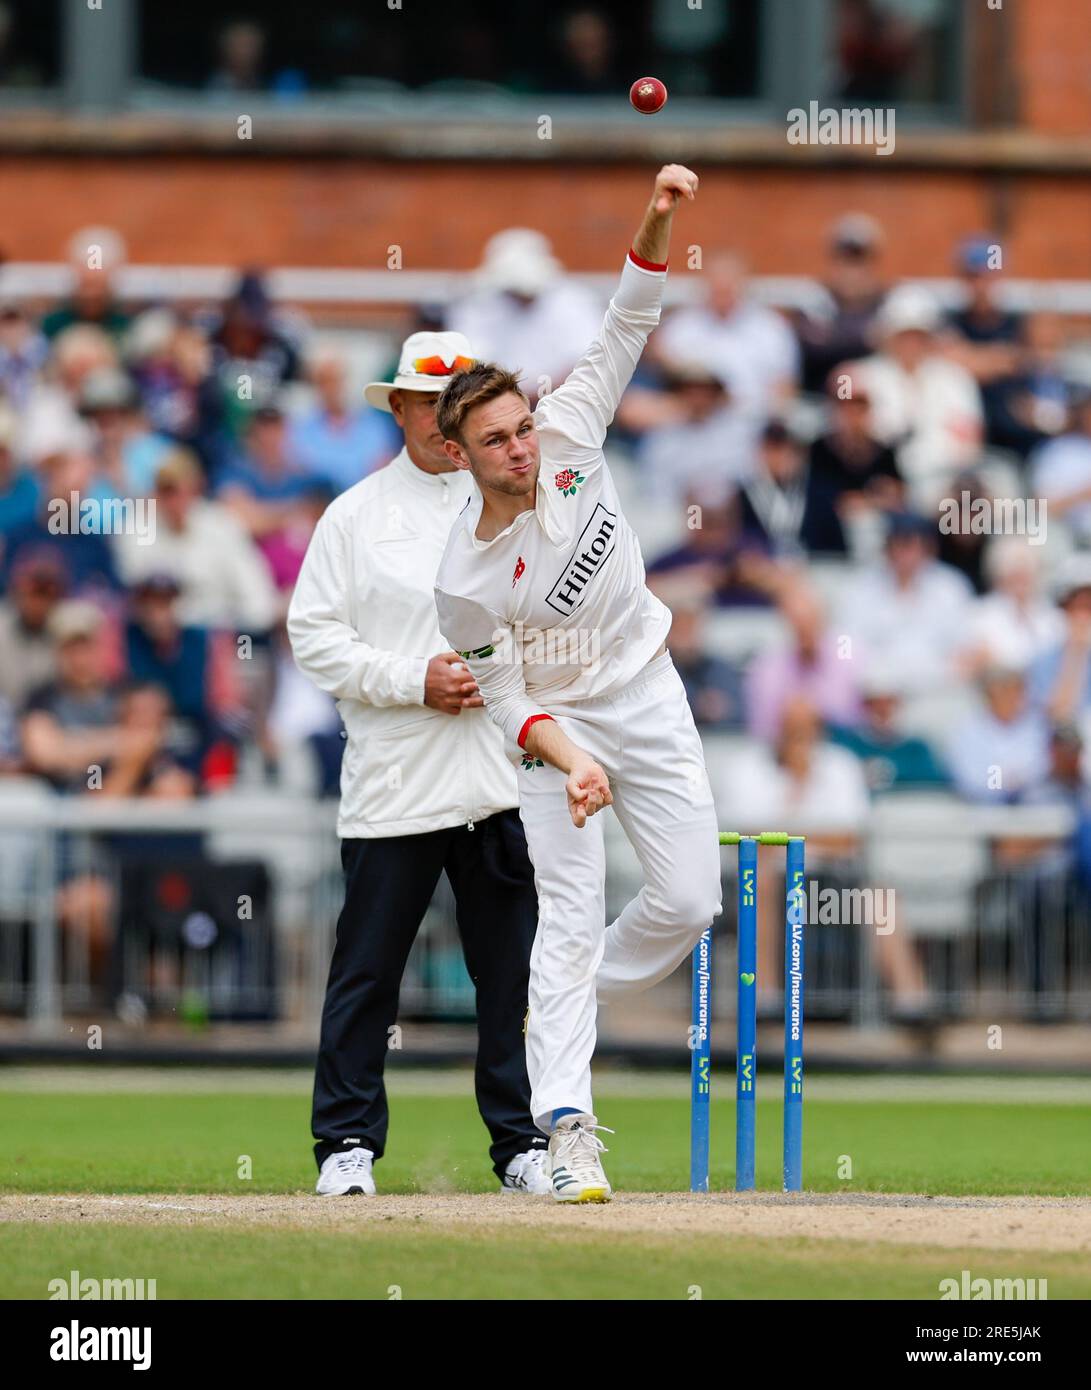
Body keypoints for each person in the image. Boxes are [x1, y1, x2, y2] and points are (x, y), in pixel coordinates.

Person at [434, 165, 722, 1203]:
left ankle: (561, 993)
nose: (518, 448)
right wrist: (568, 755)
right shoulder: (460, 581)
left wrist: (656, 216)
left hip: (645, 687)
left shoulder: (571, 431)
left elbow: (628, 318)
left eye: (520, 427)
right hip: (555, 729)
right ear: (457, 453)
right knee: (563, 910)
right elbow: (502, 698)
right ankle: (566, 1131)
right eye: (495, 440)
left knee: (689, 898)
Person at [288, 328, 549, 1199]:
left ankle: (520, 1144)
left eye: (453, 407)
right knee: (366, 974)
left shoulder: (516, 502)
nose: (440, 422)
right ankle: (346, 1147)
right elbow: (313, 638)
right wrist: (412, 680)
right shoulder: (355, 515)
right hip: (396, 782)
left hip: (498, 779)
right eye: (424, 404)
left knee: (509, 979)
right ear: (398, 409)